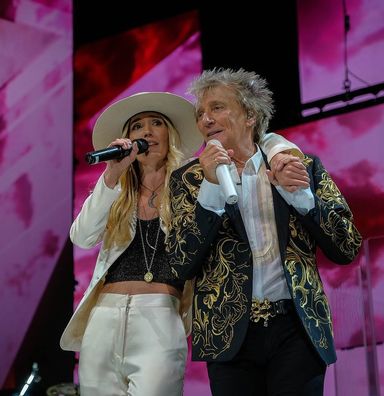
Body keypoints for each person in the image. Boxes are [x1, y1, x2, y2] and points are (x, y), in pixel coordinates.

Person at [59, 91, 304, 396]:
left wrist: (281, 147)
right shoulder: (116, 190)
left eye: (156, 123)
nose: (146, 132)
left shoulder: (196, 177)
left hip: (160, 317)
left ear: (170, 133)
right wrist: (112, 174)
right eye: (137, 127)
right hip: (103, 319)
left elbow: (256, 142)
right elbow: (81, 237)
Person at [167, 68, 363, 396]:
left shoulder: (302, 166)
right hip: (228, 334)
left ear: (251, 115)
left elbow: (347, 245)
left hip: (297, 328)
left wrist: (302, 197)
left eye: (217, 107)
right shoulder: (188, 179)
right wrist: (212, 189)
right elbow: (178, 263)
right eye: (200, 113)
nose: (206, 119)